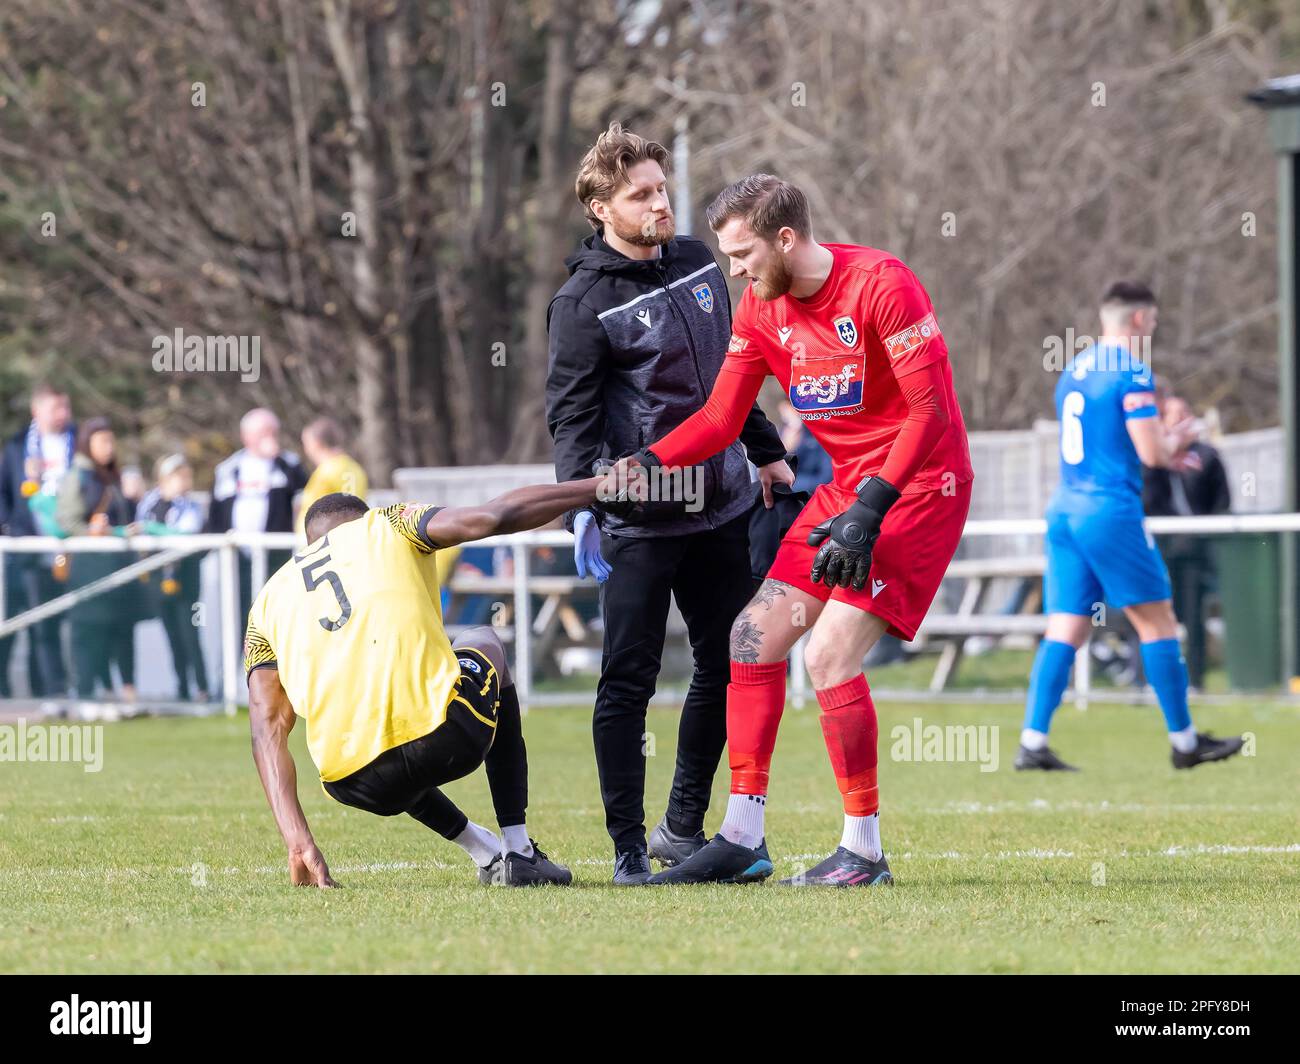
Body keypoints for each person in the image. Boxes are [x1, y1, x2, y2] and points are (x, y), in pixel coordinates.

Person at [616, 173, 973, 887]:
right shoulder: (759, 309)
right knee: (751, 637)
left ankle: (863, 852)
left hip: (919, 488)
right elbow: (722, 418)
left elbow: (929, 413)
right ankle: (743, 837)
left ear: (786, 237)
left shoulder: (883, 285)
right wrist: (644, 465)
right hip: (845, 492)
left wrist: (869, 513)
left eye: (744, 253)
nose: (735, 270)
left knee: (828, 657)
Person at [545, 123, 794, 884]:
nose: (660, 204)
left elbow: (731, 373)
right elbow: (571, 415)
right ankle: (626, 851)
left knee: (731, 661)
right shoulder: (581, 302)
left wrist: (766, 453)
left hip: (721, 506)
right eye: (641, 195)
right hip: (639, 521)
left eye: (662, 188)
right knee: (629, 680)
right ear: (600, 207)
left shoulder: (693, 259)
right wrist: (581, 507)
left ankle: (682, 826)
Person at [245, 472, 621, 888]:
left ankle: (485, 852)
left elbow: (267, 731)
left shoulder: (266, 602)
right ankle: (519, 849)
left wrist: (297, 840)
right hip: (445, 737)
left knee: (378, 736)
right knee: (484, 639)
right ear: (360, 520)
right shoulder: (387, 523)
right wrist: (599, 486)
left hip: (353, 782)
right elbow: (494, 516)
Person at [1016, 282, 1244, 772]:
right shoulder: (1132, 372)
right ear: (1140, 320)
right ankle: (1185, 743)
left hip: (1064, 510)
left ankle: (1032, 742)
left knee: (1066, 626)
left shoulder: (1072, 372)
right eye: (1155, 322)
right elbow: (1151, 453)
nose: (1154, 331)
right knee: (1159, 622)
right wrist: (1178, 438)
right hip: (1109, 511)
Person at [1141, 392, 1231, 690]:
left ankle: (1196, 681)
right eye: (1172, 416)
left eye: (1184, 415)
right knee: (1152, 617)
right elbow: (1148, 499)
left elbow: (1221, 503)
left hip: (1194, 549)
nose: (1180, 422)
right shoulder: (1150, 459)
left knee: (1194, 616)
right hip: (1159, 549)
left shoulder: (1207, 456)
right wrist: (1165, 455)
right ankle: (1147, 682)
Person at [207, 408, 308, 656]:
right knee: (238, 613)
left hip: (276, 557)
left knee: (275, 614)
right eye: (263, 432)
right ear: (246, 436)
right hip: (237, 557)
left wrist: (277, 460)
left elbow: (303, 496)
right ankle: (235, 674)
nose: (269, 437)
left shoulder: (288, 464)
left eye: (273, 432)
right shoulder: (230, 468)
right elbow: (216, 513)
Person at [55, 418, 139, 702]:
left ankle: (125, 692)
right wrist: (90, 531)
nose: (109, 447)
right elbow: (66, 521)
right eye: (102, 441)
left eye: (111, 441)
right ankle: (87, 693)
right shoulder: (77, 476)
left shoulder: (113, 477)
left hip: (118, 569)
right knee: (90, 631)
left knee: (120, 630)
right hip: (88, 570)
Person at [0, 383, 75, 698]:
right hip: (27, 551)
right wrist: (10, 529)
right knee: (23, 622)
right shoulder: (18, 447)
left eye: (66, 408)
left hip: (69, 550)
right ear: (37, 410)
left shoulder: (77, 443)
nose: (64, 415)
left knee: (56, 622)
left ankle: (50, 690)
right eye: (56, 408)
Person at [137, 455, 210, 702]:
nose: (185, 481)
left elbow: (186, 533)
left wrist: (155, 530)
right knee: (172, 636)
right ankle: (181, 687)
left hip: (188, 580)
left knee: (192, 632)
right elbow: (140, 527)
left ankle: (202, 687)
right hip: (160, 580)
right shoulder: (150, 503)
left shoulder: (191, 506)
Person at [297, 417, 369, 539]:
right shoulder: (355, 468)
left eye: (306, 444)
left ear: (316, 443)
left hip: (323, 545)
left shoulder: (326, 471)